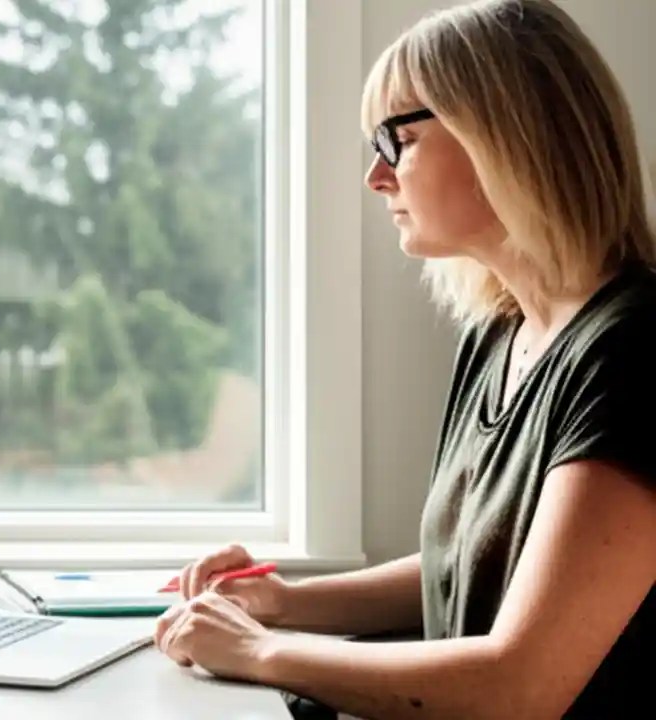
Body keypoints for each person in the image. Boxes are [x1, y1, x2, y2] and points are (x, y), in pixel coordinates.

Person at [153, 1, 656, 717]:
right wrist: (284, 603)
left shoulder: (633, 352)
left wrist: (260, 652)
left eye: (396, 138)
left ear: (506, 136)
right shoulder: (500, 334)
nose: (376, 177)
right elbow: (482, 561)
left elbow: (521, 684)